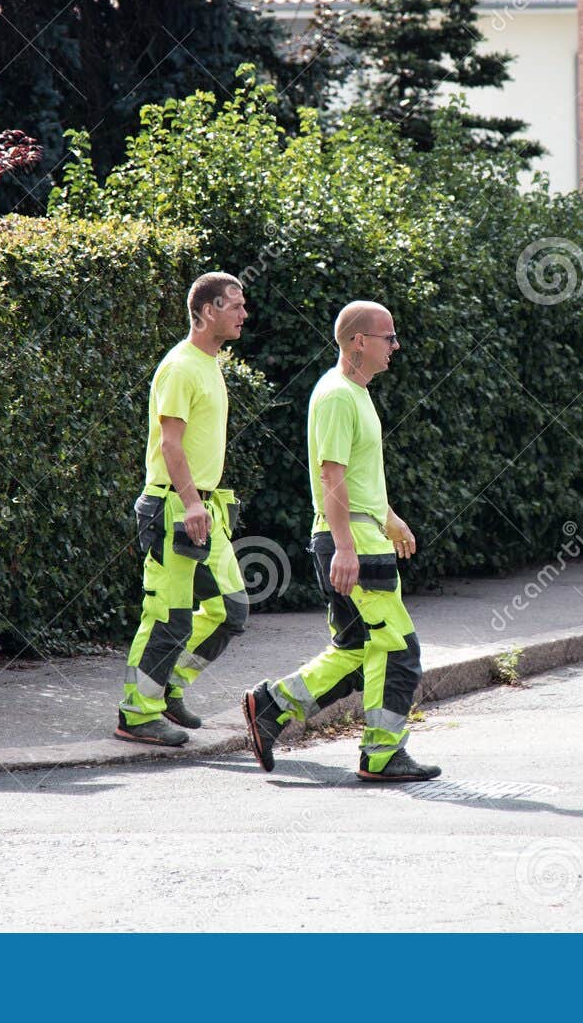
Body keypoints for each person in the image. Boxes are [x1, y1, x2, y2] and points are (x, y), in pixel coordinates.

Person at [242, 301, 441, 782]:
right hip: (354, 546)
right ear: (358, 341)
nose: (395, 346)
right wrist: (347, 547)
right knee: (398, 649)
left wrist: (390, 519)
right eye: (387, 337)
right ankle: (383, 754)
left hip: (362, 537)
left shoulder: (356, 394)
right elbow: (331, 477)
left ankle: (271, 704)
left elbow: (358, 478)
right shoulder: (336, 396)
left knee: (357, 649)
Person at [115, 273, 250, 747]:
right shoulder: (180, 366)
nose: (243, 314)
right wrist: (192, 502)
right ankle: (136, 713)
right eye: (234, 306)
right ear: (207, 310)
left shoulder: (208, 364)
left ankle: (169, 686)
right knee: (167, 615)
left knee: (230, 609)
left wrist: (203, 505)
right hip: (174, 507)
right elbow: (170, 444)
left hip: (203, 509)